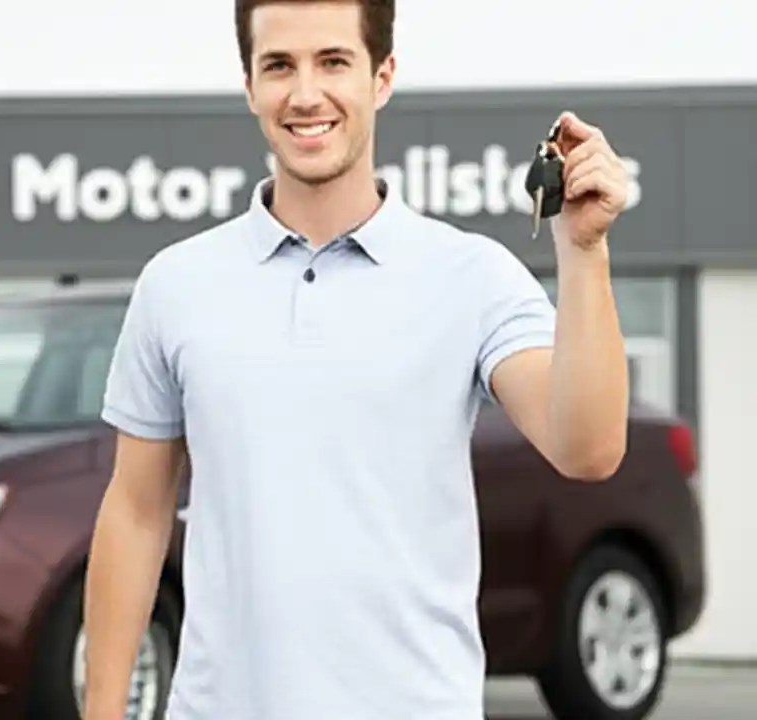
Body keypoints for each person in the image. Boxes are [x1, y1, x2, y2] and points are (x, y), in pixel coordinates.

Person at [80, 0, 632, 718]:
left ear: (382, 76)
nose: (305, 94)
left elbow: (586, 448)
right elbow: (135, 511)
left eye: (333, 61)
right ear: (249, 85)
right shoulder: (175, 284)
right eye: (279, 65)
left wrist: (583, 253)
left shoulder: (471, 276)